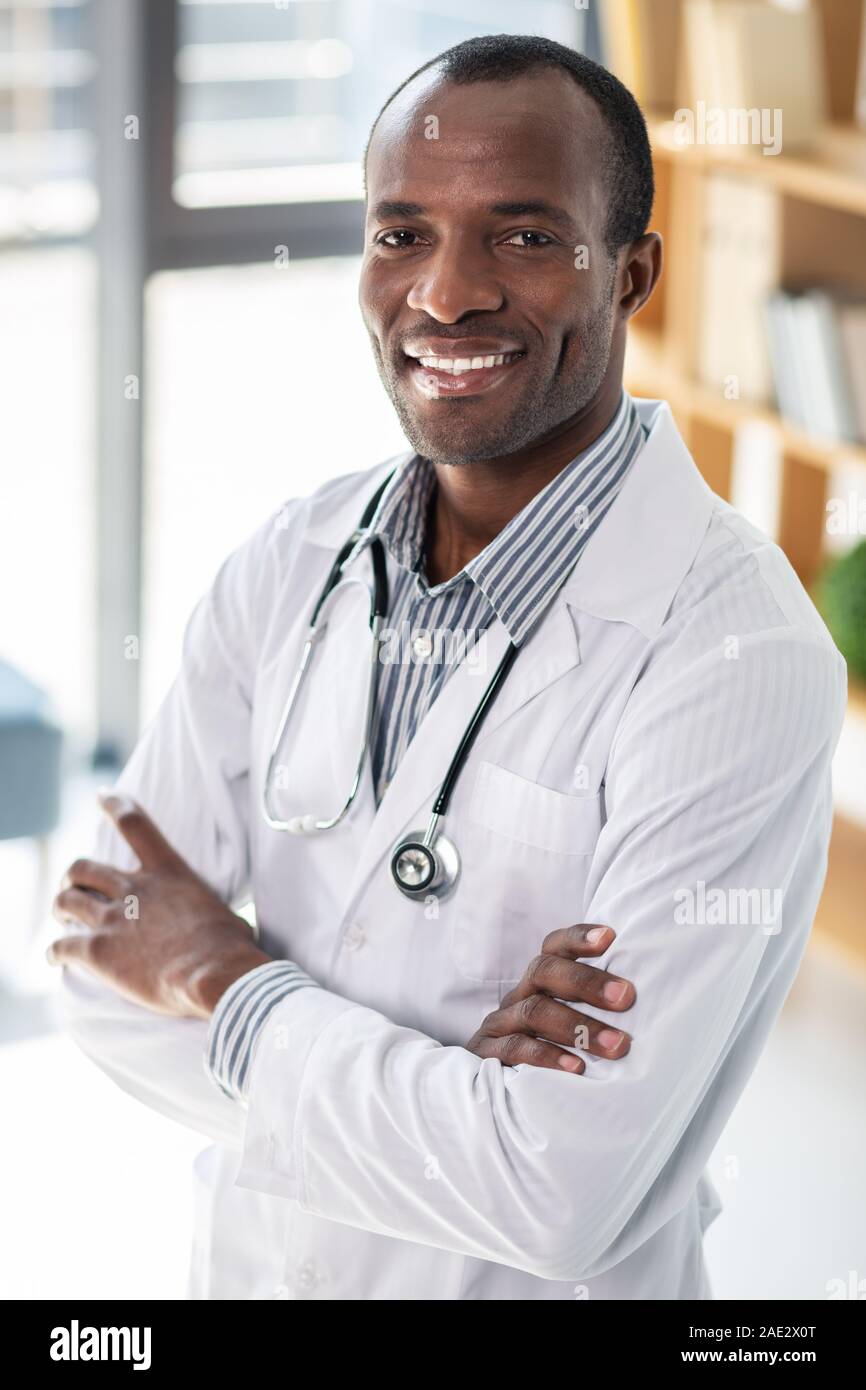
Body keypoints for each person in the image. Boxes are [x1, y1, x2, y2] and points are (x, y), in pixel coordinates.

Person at [49, 35, 846, 1300]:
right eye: (400, 232)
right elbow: (96, 968)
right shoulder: (286, 560)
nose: (445, 294)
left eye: (523, 237)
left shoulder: (733, 655)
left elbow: (556, 1193)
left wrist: (225, 975)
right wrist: (448, 1089)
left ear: (630, 270)